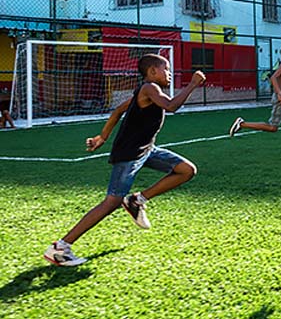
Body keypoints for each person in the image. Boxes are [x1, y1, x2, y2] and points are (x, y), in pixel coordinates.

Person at [43, 55, 205, 267]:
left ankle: (137, 200)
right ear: (153, 72)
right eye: (166, 69)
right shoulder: (149, 89)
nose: (169, 74)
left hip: (146, 150)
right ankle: (60, 247)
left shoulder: (145, 92)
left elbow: (119, 110)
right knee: (111, 202)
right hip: (130, 154)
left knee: (186, 170)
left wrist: (102, 137)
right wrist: (193, 83)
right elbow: (171, 106)